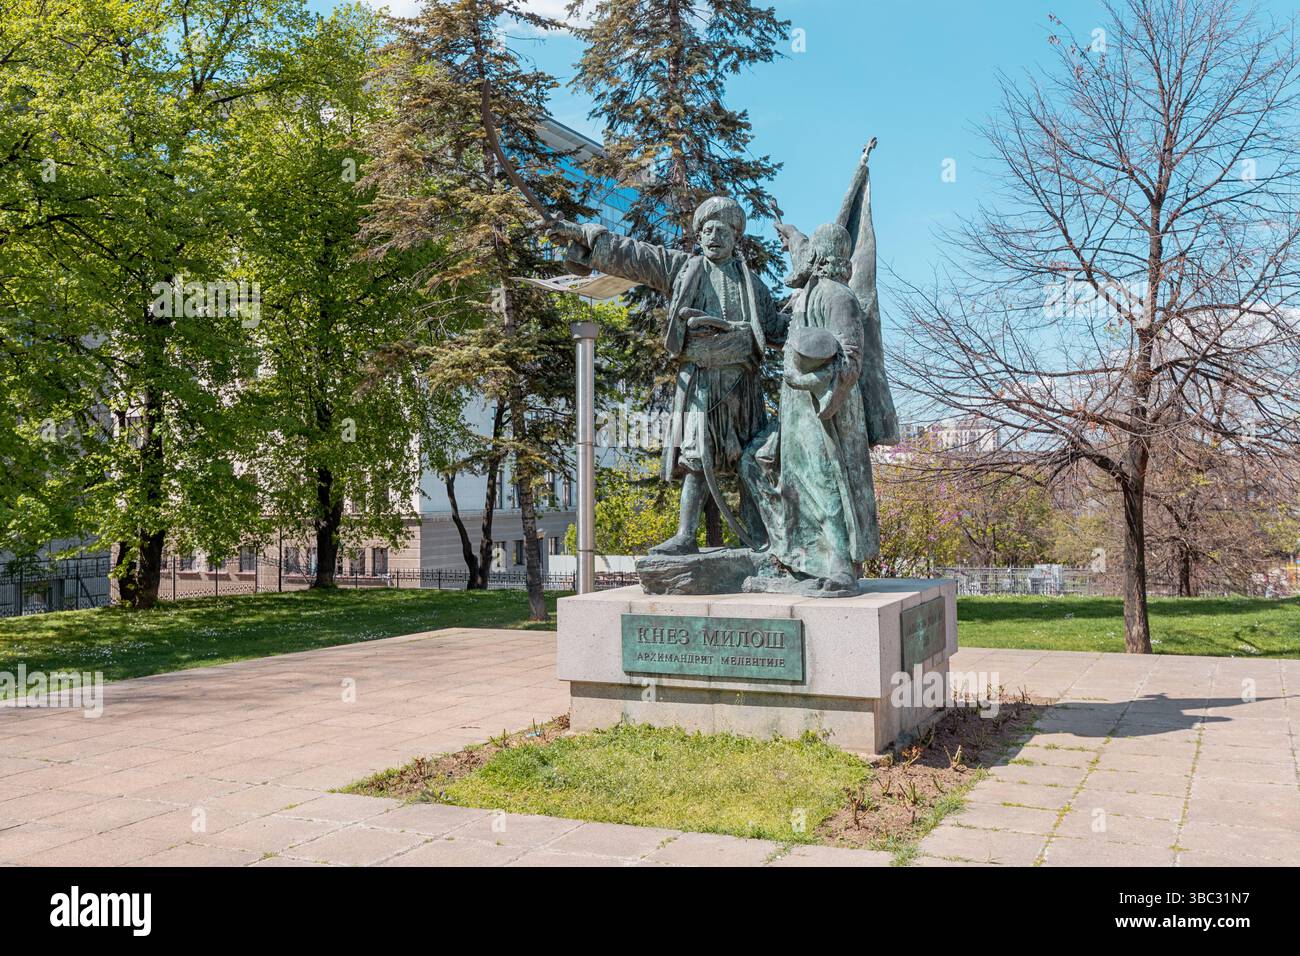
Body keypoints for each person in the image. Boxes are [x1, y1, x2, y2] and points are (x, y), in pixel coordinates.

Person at [549, 197, 787, 554]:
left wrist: (813, 305)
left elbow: (777, 329)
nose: (713, 236)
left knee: (748, 462)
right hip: (700, 383)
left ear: (736, 236)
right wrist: (582, 233)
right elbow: (638, 256)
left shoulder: (753, 286)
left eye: (722, 230)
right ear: (699, 236)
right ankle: (685, 536)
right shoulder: (684, 268)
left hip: (742, 387)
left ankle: (757, 539)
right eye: (706, 230)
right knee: (695, 459)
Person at [740, 223, 878, 593]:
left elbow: (850, 360)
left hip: (825, 410)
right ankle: (791, 555)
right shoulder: (808, 294)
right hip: (795, 411)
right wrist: (793, 236)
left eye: (808, 252)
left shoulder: (838, 297)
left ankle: (840, 565)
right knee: (761, 463)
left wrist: (808, 379)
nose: (802, 258)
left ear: (818, 257)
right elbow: (801, 263)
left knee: (825, 482)